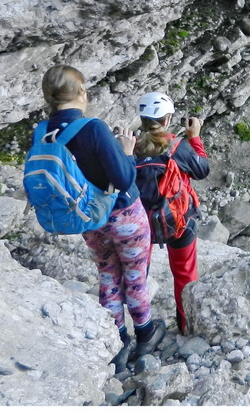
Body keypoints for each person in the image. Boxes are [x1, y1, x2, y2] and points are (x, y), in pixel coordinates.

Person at [39, 65, 164, 371]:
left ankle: (118, 343)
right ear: (82, 93)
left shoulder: (42, 132)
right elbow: (122, 178)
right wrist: (125, 150)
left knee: (108, 274)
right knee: (134, 275)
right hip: (123, 214)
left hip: (88, 219)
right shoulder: (93, 128)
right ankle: (145, 333)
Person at [133, 92, 209, 335]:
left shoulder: (129, 148)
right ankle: (186, 326)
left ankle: (138, 328)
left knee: (137, 274)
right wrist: (195, 137)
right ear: (167, 120)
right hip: (178, 222)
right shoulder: (178, 147)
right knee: (184, 273)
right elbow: (202, 170)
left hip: (141, 223)